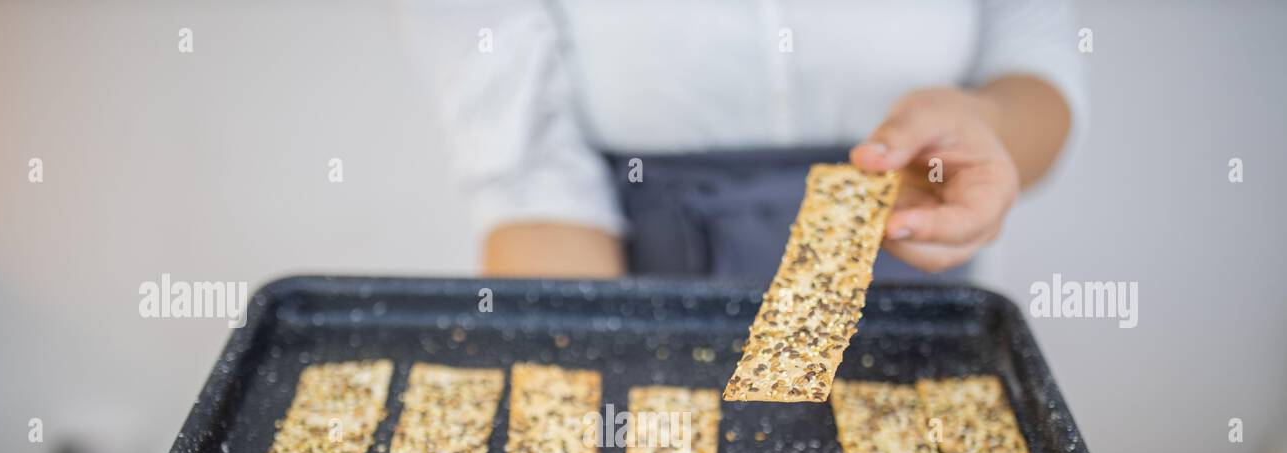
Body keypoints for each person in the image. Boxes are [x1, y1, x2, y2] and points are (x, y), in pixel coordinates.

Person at [416, 0, 1084, 282]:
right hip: (627, 269)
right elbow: (529, 171)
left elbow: (1034, 59)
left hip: (915, 280)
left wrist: (986, 127)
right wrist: (580, 396)